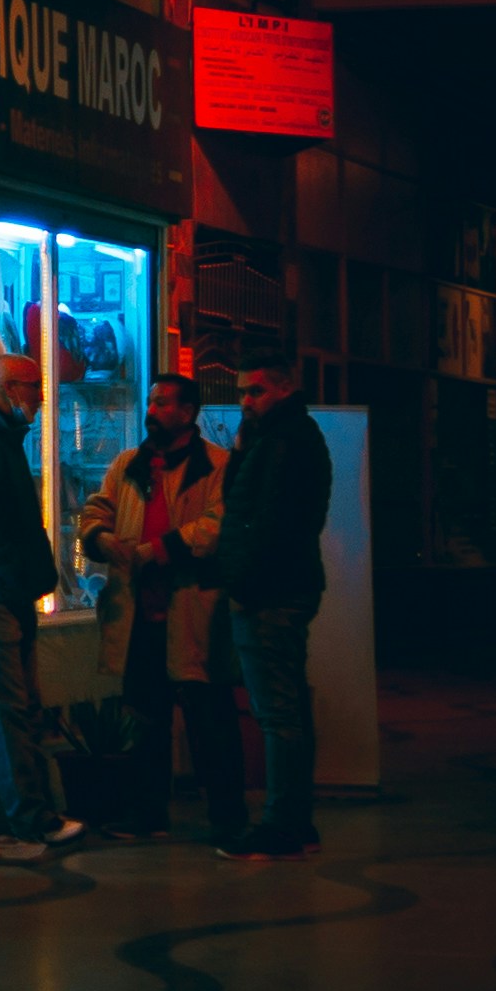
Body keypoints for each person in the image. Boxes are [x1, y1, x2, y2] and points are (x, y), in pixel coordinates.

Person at [80, 372, 247, 847]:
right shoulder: (129, 464)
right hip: (139, 616)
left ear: (188, 413)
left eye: (163, 403)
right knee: (146, 722)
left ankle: (227, 817)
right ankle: (148, 813)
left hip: (192, 612)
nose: (152, 411)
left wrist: (161, 549)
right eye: (151, 402)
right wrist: (102, 539)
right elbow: (96, 511)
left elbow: (218, 525)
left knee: (209, 720)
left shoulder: (216, 465)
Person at [0, 352, 85, 857]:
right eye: (33, 387)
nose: (41, 397)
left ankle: (29, 812)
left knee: (19, 707)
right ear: (7, 388)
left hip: (2, 590)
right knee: (8, 710)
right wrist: (14, 578)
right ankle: (29, 817)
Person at [209, 355, 333, 859]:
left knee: (277, 711)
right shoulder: (284, 437)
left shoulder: (282, 442)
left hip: (269, 591)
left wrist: (241, 582)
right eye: (242, 392)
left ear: (283, 390)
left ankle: (281, 824)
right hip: (285, 585)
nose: (245, 401)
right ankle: (296, 820)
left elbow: (262, 520)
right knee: (286, 708)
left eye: (255, 392)